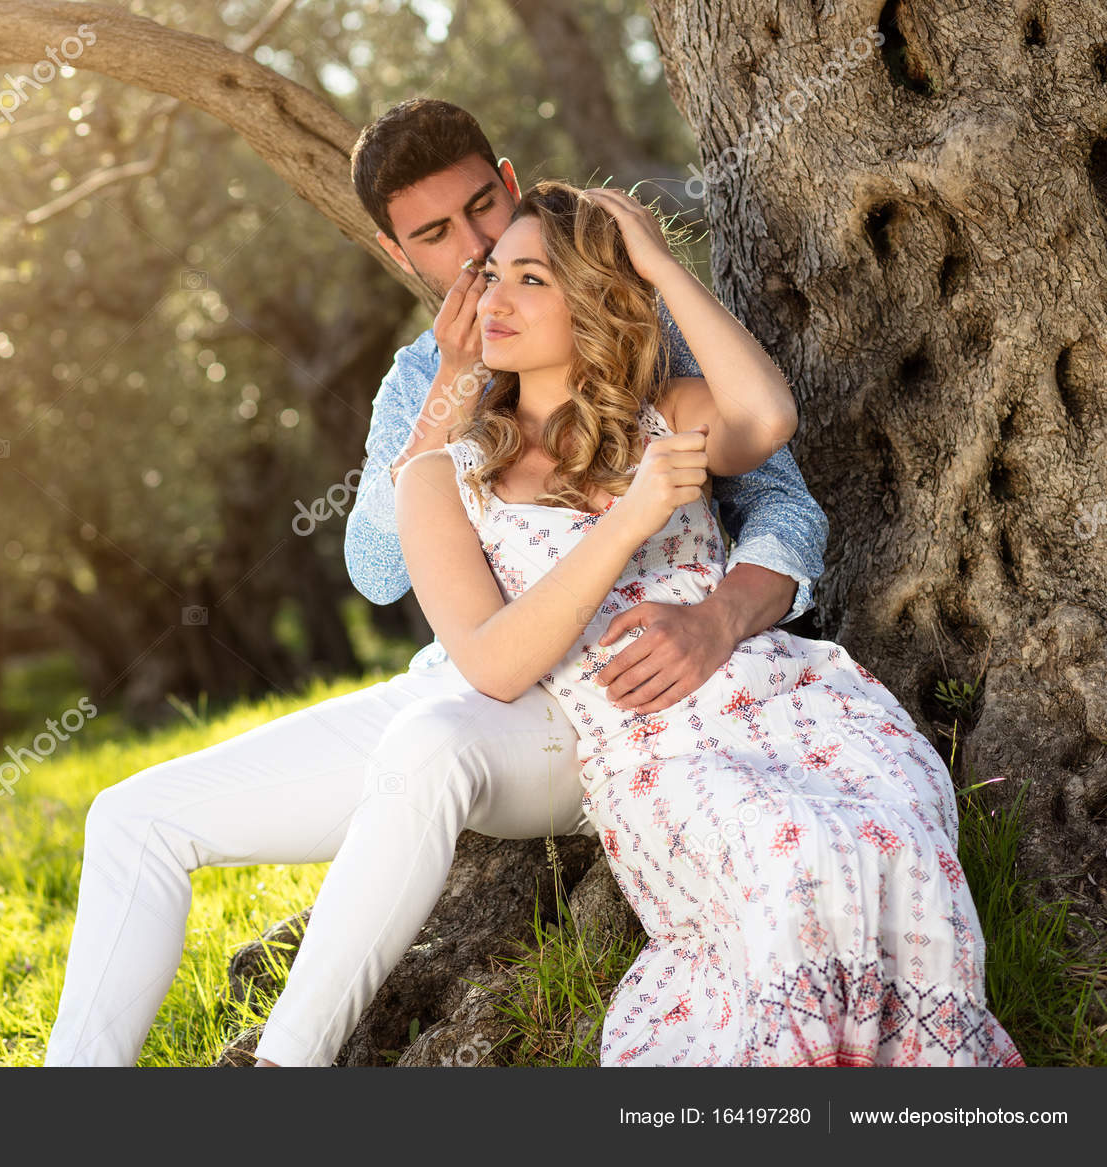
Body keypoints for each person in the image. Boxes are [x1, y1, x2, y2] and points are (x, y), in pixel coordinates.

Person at [42, 99, 829, 1068]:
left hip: (594, 705)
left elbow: (783, 504)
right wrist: (456, 383)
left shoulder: (637, 326)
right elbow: (377, 574)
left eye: (481, 210)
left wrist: (719, 619)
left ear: (506, 181)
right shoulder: (420, 381)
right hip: (470, 674)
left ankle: (285, 1068)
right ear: (395, 250)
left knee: (431, 745)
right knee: (130, 817)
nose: (472, 248)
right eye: (433, 235)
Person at [394, 177, 1024, 1066]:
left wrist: (656, 260)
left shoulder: (668, 413)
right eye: (493, 274)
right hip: (653, 747)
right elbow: (495, 663)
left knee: (894, 838)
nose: (492, 300)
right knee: (797, 858)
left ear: (595, 301)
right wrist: (629, 518)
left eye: (532, 279)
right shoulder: (437, 478)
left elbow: (767, 417)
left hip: (788, 700)